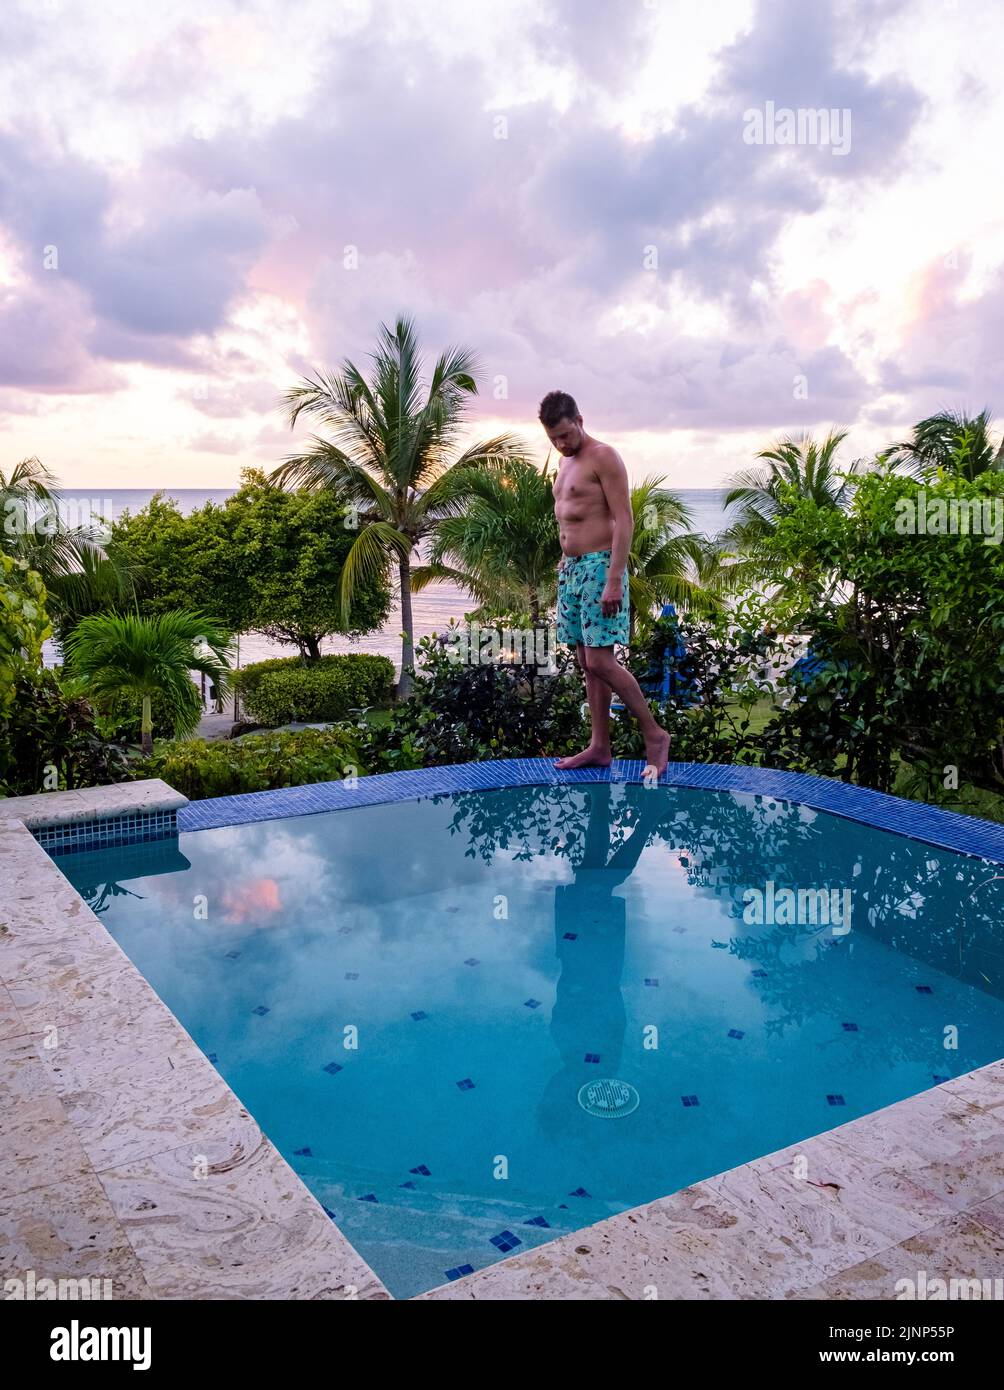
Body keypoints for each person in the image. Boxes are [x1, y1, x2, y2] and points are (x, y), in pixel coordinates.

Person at [540, 389, 671, 775]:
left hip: (601, 568)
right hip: (573, 570)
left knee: (600, 659)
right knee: (586, 660)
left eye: (566, 435)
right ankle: (599, 745)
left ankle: (654, 734)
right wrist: (565, 559)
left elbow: (624, 519)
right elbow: (570, 516)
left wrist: (615, 578)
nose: (561, 444)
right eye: (553, 439)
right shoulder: (565, 464)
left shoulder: (604, 456)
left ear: (580, 420)